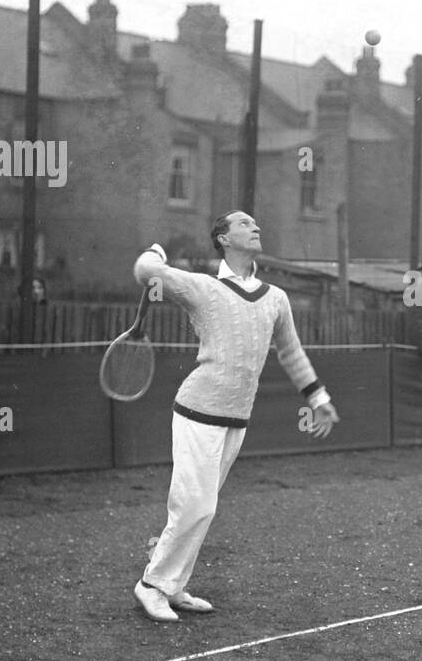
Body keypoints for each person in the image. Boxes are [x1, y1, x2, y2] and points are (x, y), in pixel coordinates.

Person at [131, 210, 338, 622]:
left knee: (202, 507)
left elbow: (291, 351)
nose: (255, 227)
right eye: (244, 224)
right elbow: (144, 272)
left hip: (236, 418)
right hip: (196, 411)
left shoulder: (276, 298)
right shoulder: (202, 288)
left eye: (256, 223)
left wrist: (319, 397)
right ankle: (152, 585)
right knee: (196, 505)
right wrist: (155, 252)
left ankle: (173, 586)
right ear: (223, 239)